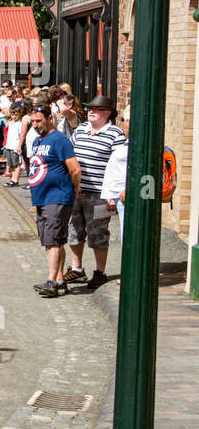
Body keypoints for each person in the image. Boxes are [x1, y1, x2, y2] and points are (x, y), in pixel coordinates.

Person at [63, 94, 127, 290]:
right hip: (77, 192)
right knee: (74, 231)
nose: (90, 111)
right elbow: (70, 155)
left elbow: (121, 166)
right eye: (90, 108)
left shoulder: (116, 135)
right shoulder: (81, 129)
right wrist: (72, 184)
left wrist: (112, 194)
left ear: (107, 113)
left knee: (98, 233)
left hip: (100, 195)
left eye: (96, 109)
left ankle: (100, 272)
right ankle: (77, 269)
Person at [28, 105, 82, 297]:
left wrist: (75, 188)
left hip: (57, 197)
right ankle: (59, 280)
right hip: (42, 198)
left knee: (53, 240)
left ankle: (50, 282)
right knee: (54, 241)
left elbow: (74, 169)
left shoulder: (59, 140)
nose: (35, 125)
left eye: (39, 121)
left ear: (49, 118)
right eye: (33, 121)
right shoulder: (37, 140)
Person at [3, 100, 27, 186]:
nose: (13, 116)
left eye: (16, 115)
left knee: (17, 164)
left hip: (15, 147)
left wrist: (19, 146)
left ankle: (15, 180)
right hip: (9, 146)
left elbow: (21, 136)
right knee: (11, 164)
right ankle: (12, 179)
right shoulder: (11, 123)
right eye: (12, 114)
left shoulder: (20, 124)